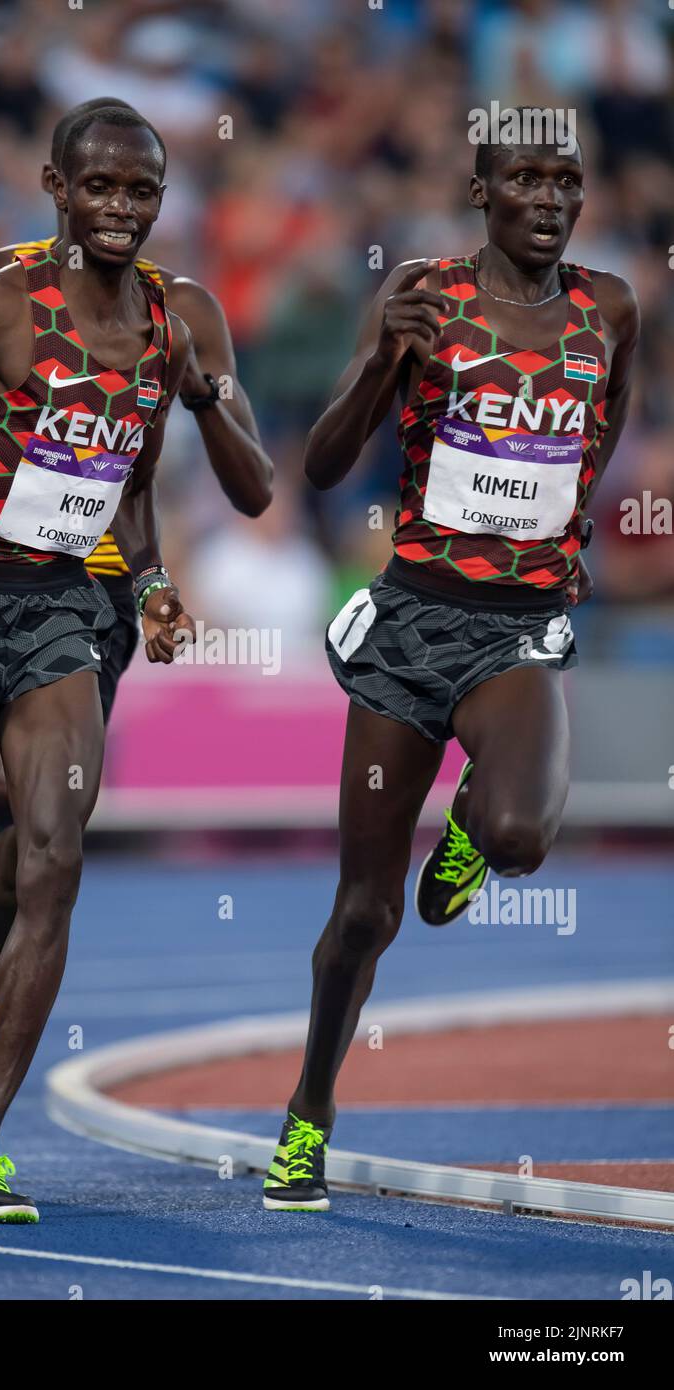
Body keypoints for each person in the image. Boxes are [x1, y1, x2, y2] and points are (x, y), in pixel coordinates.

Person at [0, 98, 273, 1189]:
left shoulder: (173, 320)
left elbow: (142, 477)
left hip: (75, 610)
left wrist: (156, 581)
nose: (122, 209)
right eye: (101, 188)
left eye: (142, 190)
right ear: (56, 189)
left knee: (51, 856)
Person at [263, 118, 639, 1210]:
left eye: (568, 178)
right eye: (525, 177)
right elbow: (326, 466)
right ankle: (309, 1110)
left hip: (519, 627)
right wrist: (385, 355)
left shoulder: (610, 308)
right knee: (364, 914)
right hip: (412, 628)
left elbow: (598, 437)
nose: (550, 196)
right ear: (481, 192)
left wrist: (549, 535)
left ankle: (473, 839)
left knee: (521, 832)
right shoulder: (426, 295)